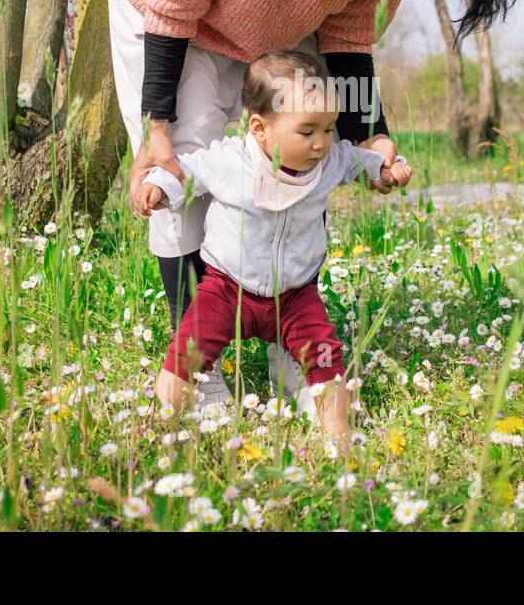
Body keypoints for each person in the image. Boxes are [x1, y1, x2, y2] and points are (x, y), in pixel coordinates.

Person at [108, 0, 524, 398]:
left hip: (261, 2)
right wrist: (157, 134)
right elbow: (175, 2)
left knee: (304, 153)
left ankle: (289, 336)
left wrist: (370, 135)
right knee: (187, 170)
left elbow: (349, 37)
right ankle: (197, 361)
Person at [135, 50, 413, 438]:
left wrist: (385, 164)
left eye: (328, 129)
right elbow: (188, 169)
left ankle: (340, 440)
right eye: (307, 130)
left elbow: (357, 159)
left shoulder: (330, 160)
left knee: (327, 360)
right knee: (185, 354)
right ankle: (162, 426)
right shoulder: (231, 161)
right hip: (227, 289)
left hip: (296, 296)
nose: (321, 143)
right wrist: (160, 187)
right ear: (260, 128)